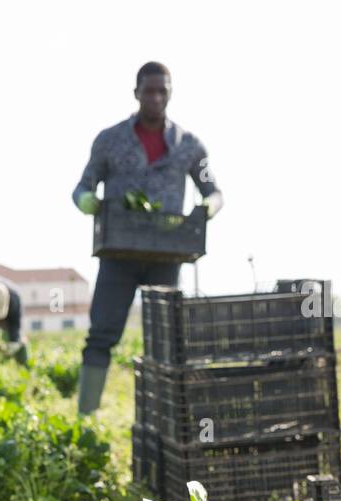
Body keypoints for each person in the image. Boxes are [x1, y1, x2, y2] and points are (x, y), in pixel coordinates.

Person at [71, 61, 224, 414]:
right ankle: (86, 416)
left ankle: (166, 416)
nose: (155, 97)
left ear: (169, 94)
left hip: (166, 255)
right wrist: (86, 202)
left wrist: (209, 207)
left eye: (162, 91)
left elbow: (213, 190)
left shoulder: (190, 146)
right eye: (149, 90)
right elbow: (82, 186)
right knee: (101, 335)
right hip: (118, 252)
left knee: (167, 342)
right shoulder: (109, 140)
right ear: (136, 93)